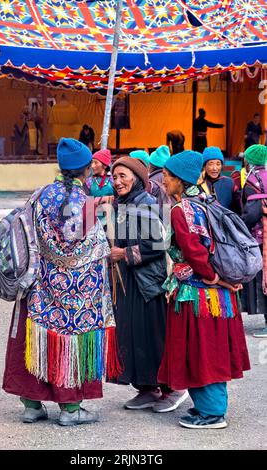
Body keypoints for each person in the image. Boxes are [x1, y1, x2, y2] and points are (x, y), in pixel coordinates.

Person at [3, 138, 120, 426]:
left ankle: (32, 404)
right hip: (78, 293)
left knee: (35, 337)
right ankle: (70, 409)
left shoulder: (39, 195)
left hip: (40, 285)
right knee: (71, 340)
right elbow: (92, 245)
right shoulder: (85, 203)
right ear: (86, 170)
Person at [158, 150, 250, 429]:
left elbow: (194, 253)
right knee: (214, 349)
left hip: (199, 293)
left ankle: (212, 413)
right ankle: (209, 408)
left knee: (202, 352)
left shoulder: (179, 210)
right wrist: (223, 280)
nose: (163, 181)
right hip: (219, 294)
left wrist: (213, 278)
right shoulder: (205, 200)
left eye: (166, 176)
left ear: (179, 180)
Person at [110, 157, 188, 413]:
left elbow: (159, 244)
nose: (118, 181)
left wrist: (124, 254)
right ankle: (146, 388)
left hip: (148, 283)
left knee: (154, 337)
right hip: (130, 282)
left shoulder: (146, 203)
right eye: (115, 176)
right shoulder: (121, 203)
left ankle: (172, 388)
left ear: (137, 178)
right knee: (134, 335)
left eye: (123, 176)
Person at [241, 144, 267, 338]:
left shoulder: (253, 180)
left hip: (261, 236)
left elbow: (253, 212)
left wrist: (240, 227)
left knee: (263, 279)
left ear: (249, 160)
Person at [200, 146, 241, 212]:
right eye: (211, 164)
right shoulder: (199, 184)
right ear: (204, 166)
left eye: (218, 164)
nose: (215, 168)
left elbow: (239, 208)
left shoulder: (229, 183)